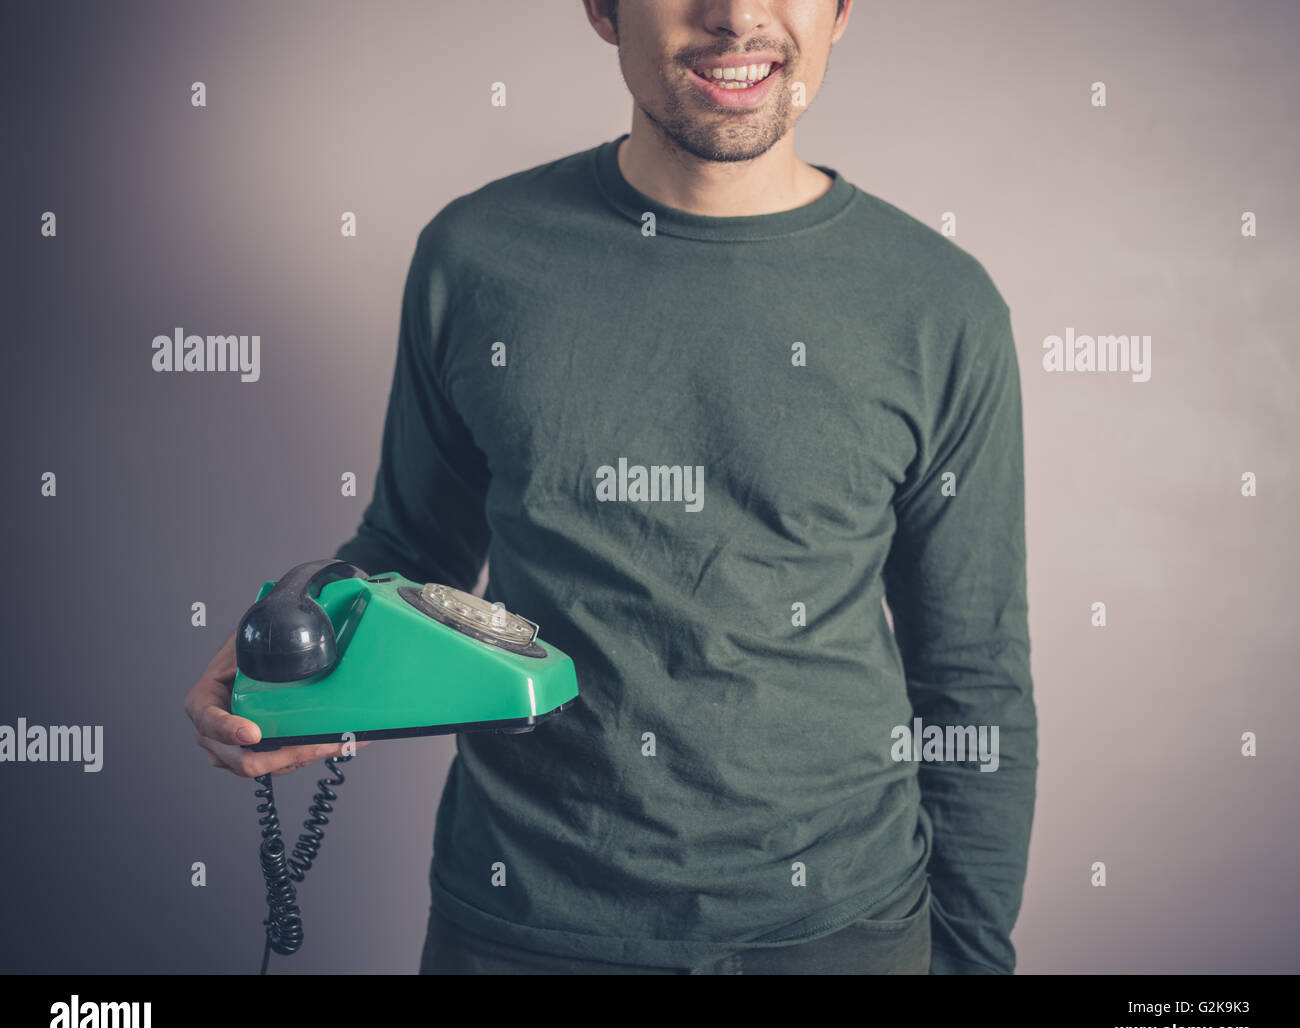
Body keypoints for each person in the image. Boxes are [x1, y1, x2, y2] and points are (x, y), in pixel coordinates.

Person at [184, 0, 1037, 975]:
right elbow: (412, 551)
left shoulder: (940, 304)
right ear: (601, 8)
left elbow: (972, 677)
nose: (736, 16)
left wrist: (971, 963)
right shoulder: (475, 256)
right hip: (523, 920)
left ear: (842, 9)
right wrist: (293, 666)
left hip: (839, 929)